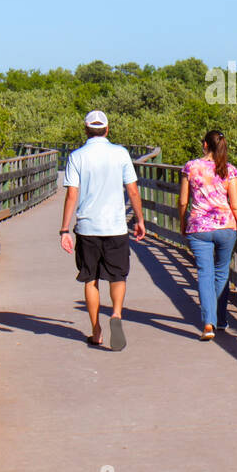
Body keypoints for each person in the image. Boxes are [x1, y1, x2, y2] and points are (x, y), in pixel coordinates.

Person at [59, 111, 146, 350]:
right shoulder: (121, 153)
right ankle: (116, 313)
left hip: (88, 227)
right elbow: (133, 190)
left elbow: (72, 194)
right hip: (115, 226)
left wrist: (64, 229)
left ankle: (96, 330)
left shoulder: (76, 156)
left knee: (91, 278)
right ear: (107, 130)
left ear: (86, 130)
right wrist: (139, 219)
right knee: (118, 276)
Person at [178, 130, 237, 340]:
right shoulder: (229, 170)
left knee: (205, 273)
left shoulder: (191, 167)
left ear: (205, 145)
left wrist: (183, 222)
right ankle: (220, 319)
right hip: (226, 227)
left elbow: (183, 201)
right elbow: (236, 205)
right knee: (221, 272)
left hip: (199, 228)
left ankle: (208, 323)